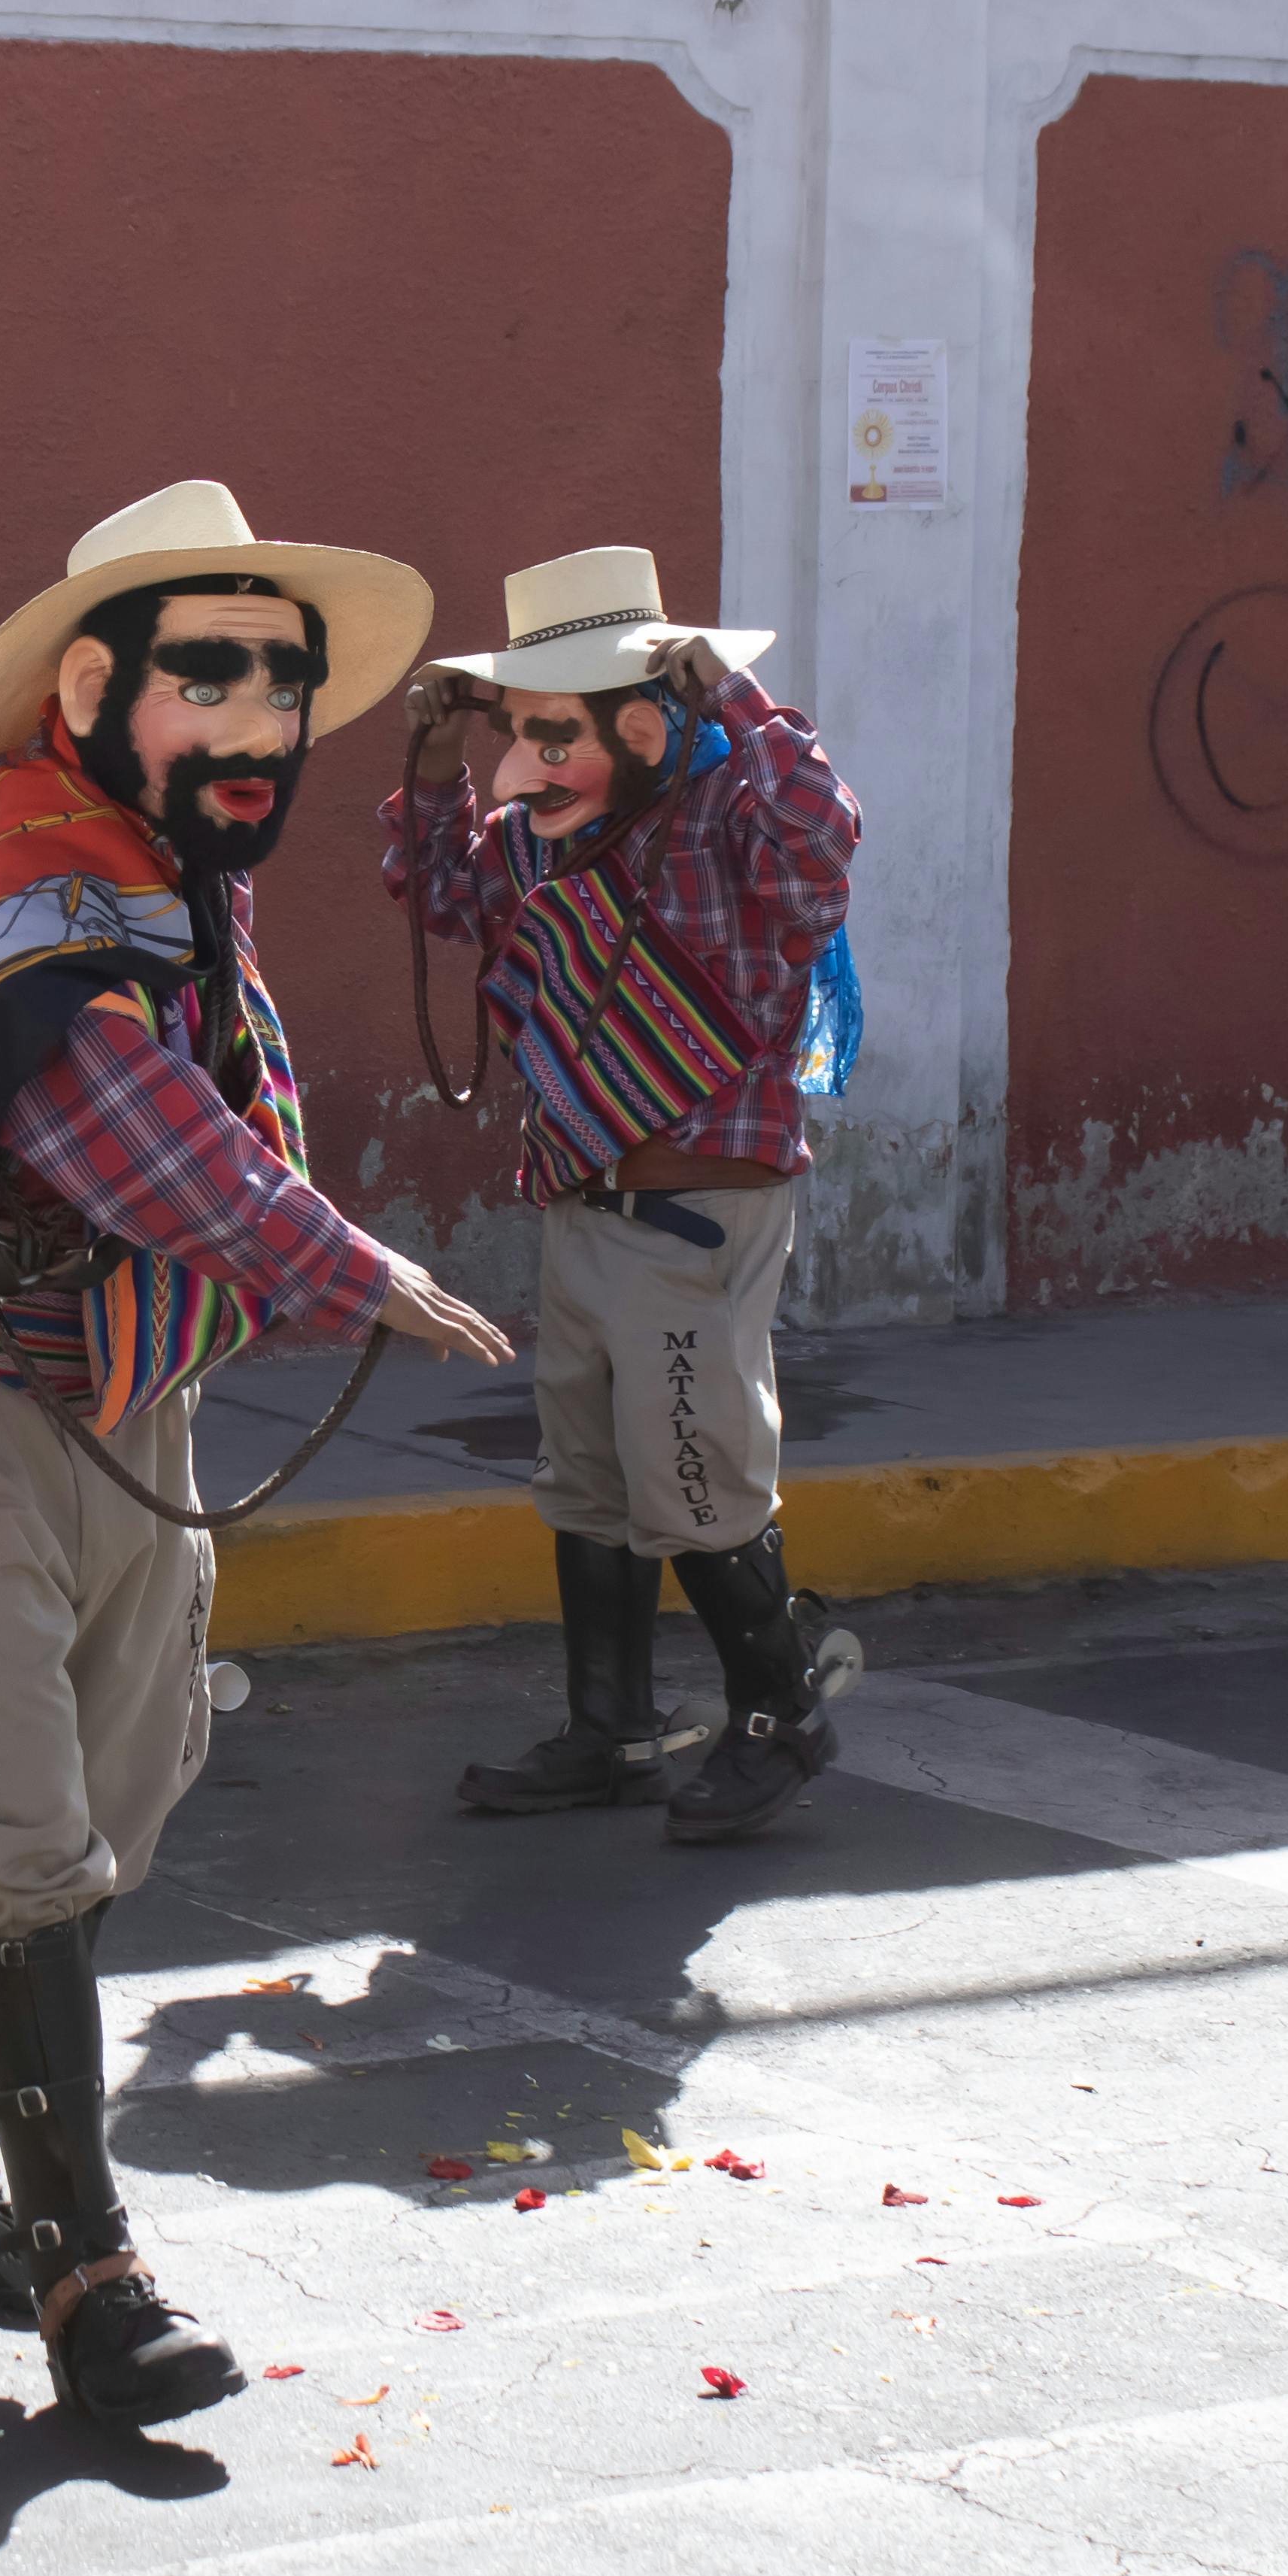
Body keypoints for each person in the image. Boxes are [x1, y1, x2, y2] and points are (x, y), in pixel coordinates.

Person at [0, 481, 513, 2426]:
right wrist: (351, 1262)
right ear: (93, 681)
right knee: (38, 1853)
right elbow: (134, 1133)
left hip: (131, 1409)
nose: (262, 715)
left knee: (93, 1834)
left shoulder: (156, 874)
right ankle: (87, 2273)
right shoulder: (39, 869)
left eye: (284, 679)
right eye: (211, 670)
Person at [380, 544, 864, 1844]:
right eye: (519, 731)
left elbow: (824, 840)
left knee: (694, 1476)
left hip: (696, 1213)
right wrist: (428, 767)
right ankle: (614, 1729)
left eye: (556, 730)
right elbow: (435, 892)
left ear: (644, 722)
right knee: (589, 1480)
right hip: (587, 1204)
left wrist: (739, 701)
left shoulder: (727, 822)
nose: (527, 758)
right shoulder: (547, 844)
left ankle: (779, 1712)